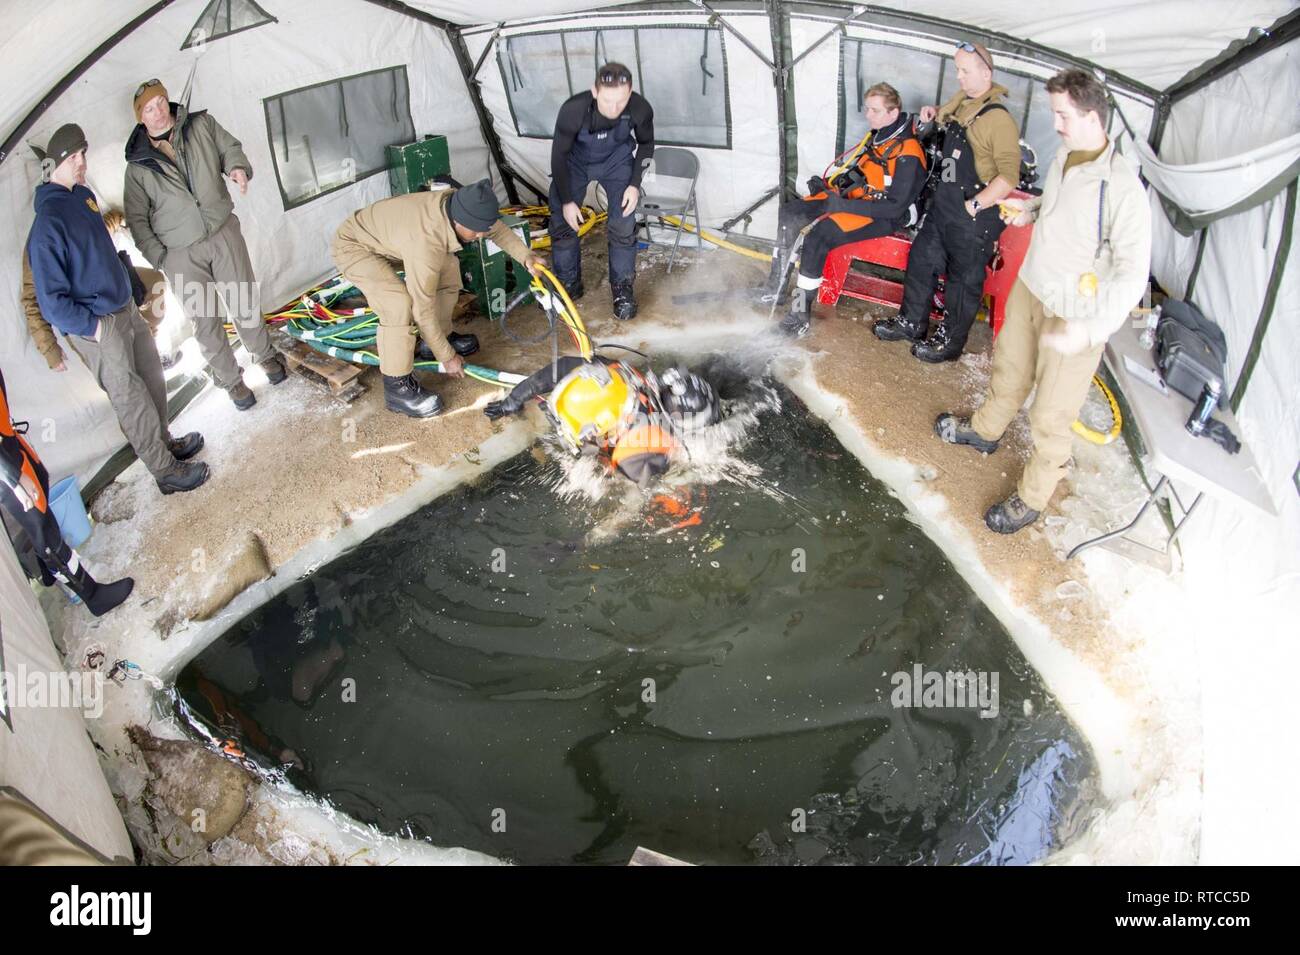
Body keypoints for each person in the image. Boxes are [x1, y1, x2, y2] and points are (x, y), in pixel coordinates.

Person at [935, 69, 1152, 533]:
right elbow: (1056, 205)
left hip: (1072, 313)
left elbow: (1133, 274)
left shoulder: (1122, 188)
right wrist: (1030, 210)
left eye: (1063, 115)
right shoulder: (1066, 155)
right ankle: (986, 431)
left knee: (1051, 413)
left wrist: (1090, 329)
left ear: (1093, 117)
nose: (1055, 123)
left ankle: (1032, 497)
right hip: (1033, 287)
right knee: (1008, 369)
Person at [26, 124, 208, 496]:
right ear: (56, 163)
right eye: (74, 157)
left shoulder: (84, 197)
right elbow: (50, 301)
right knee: (130, 397)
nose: (82, 163)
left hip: (124, 307)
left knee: (153, 380)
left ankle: (164, 443)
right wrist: (93, 329)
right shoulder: (46, 224)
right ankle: (165, 471)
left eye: (83, 154)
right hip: (99, 325)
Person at [124, 78, 286, 411]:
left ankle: (265, 356)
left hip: (222, 231)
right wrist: (162, 258)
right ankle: (232, 381)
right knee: (204, 318)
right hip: (180, 254)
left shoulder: (201, 125)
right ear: (141, 118)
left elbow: (230, 149)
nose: (157, 113)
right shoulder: (137, 166)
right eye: (149, 110)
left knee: (242, 299)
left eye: (160, 104)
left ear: (168, 102)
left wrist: (237, 168)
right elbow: (137, 219)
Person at [331, 179, 543, 418]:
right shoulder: (425, 244)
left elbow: (496, 228)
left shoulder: (461, 204)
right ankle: (397, 387)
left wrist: (527, 257)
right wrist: (448, 357)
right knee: (398, 304)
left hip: (391, 240)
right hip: (354, 247)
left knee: (449, 267)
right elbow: (422, 309)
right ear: (458, 222)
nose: (482, 235)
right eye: (477, 231)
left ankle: (433, 341)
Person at [874, 41, 1022, 362]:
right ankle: (912, 322)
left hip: (972, 215)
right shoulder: (963, 103)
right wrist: (932, 114)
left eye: (965, 71)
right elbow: (941, 122)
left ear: (986, 73)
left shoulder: (999, 120)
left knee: (962, 280)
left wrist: (975, 205)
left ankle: (949, 343)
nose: (959, 77)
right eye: (957, 70)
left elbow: (1009, 177)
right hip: (944, 208)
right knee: (922, 260)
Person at [757, 82, 927, 338]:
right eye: (867, 109)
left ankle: (800, 314)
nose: (868, 115)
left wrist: (842, 205)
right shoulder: (879, 136)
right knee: (790, 213)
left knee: (817, 237)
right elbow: (861, 172)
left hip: (883, 215)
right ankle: (775, 287)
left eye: (875, 110)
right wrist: (828, 186)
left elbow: (894, 208)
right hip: (855, 201)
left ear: (893, 113)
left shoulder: (909, 153)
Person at [1, 366, 134, 616]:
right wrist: (14, 478)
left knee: (43, 518)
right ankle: (93, 595)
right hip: (7, 467)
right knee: (43, 530)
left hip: (12, 448)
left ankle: (54, 572)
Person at [484, 357, 720, 485]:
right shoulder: (614, 380)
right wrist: (514, 399)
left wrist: (584, 541)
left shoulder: (639, 456)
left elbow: (635, 499)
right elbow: (566, 367)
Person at [548, 62, 655, 321]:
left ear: (630, 93)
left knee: (623, 223)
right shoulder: (573, 110)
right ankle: (568, 284)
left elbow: (646, 143)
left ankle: (622, 289)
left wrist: (634, 183)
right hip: (575, 161)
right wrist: (567, 200)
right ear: (595, 92)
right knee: (563, 222)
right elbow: (559, 155)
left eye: (621, 101)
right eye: (607, 101)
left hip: (616, 161)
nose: (614, 109)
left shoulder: (640, 108)